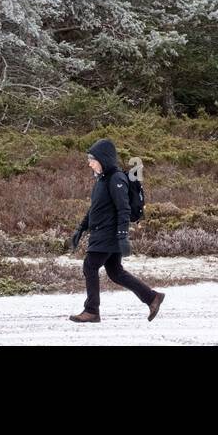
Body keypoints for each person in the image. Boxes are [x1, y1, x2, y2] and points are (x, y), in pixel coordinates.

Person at [69, 138, 165, 323]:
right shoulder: (102, 180)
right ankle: (152, 297)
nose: (89, 163)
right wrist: (80, 229)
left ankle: (91, 311)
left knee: (90, 265)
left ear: (103, 159)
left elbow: (124, 209)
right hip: (102, 232)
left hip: (108, 234)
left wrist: (122, 236)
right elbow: (94, 208)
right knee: (115, 272)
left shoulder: (116, 179)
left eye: (92, 159)